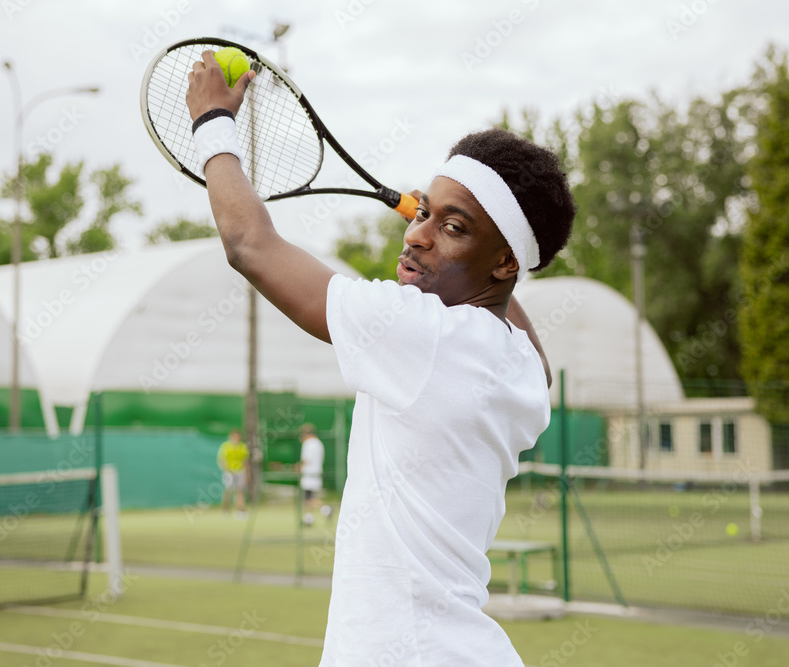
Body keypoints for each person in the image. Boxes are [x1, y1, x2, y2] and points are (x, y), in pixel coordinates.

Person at [185, 53, 574, 666]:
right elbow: (520, 327)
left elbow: (249, 243)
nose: (418, 235)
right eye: (424, 213)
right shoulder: (518, 365)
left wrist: (212, 122)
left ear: (504, 264)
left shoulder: (423, 334)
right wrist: (448, 230)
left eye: (454, 228)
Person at [296, 423, 331, 525]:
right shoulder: (318, 443)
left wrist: (298, 467)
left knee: (308, 498)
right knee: (308, 497)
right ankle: (308, 519)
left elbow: (306, 460)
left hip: (309, 475)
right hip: (316, 473)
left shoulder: (308, 443)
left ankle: (327, 509)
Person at [216, 428, 248, 518]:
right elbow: (222, 459)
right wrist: (227, 470)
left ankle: (240, 510)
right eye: (235, 436)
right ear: (231, 437)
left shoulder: (242, 446)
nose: (236, 438)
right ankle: (226, 511)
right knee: (228, 491)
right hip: (229, 472)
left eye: (238, 436)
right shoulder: (225, 446)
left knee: (240, 491)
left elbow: (245, 460)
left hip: (240, 471)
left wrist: (246, 472)